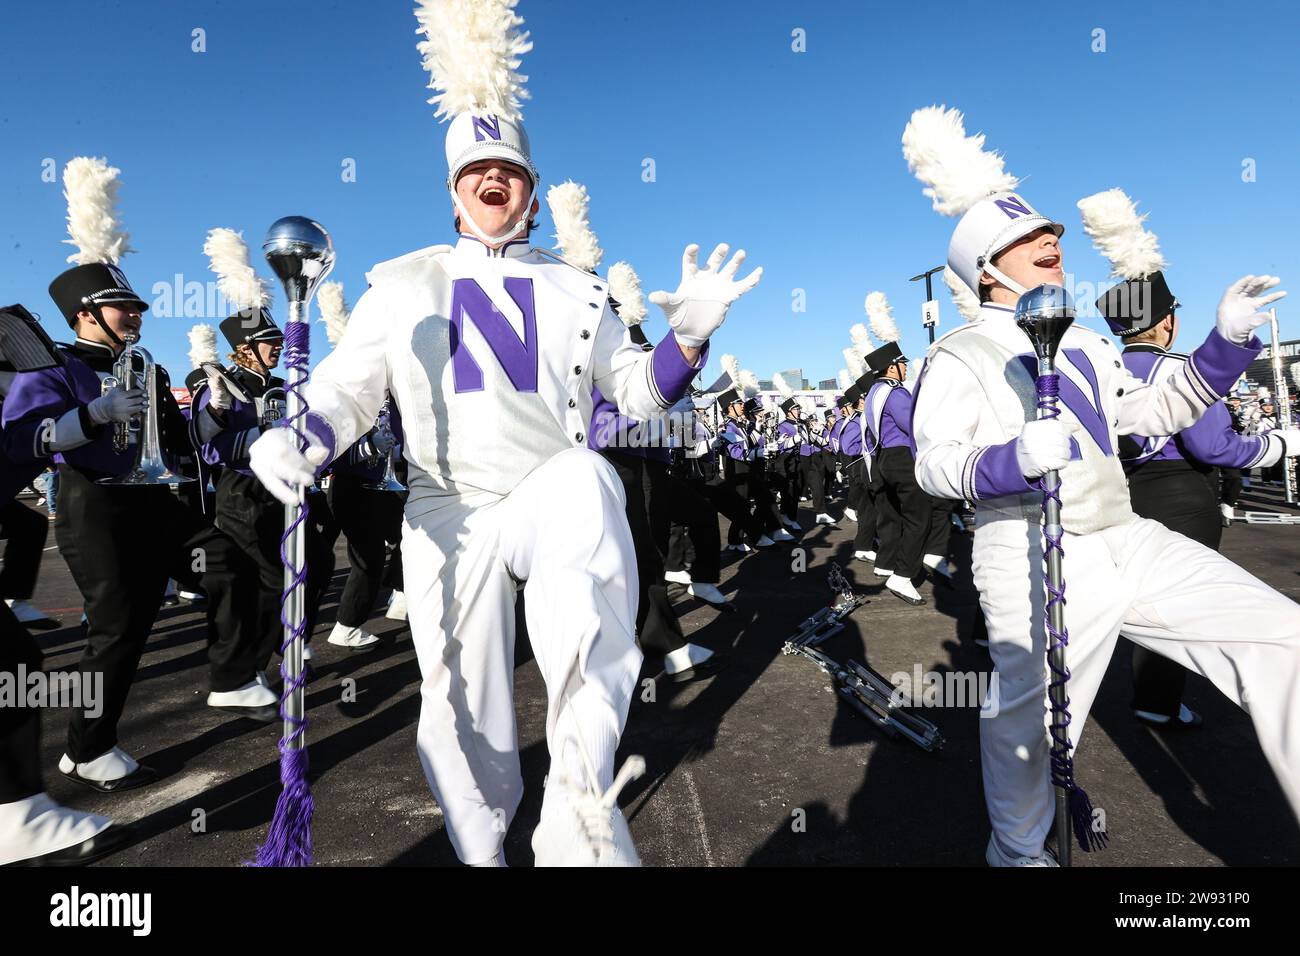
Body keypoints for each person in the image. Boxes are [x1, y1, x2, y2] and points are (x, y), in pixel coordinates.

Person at [248, 10, 762, 865]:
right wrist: (302, 435)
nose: (494, 181)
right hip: (446, 503)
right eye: (477, 170)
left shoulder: (578, 287)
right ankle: (481, 845)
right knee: (460, 702)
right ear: (453, 191)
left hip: (544, 484)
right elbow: (348, 385)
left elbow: (636, 395)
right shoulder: (402, 281)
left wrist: (690, 340)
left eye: (510, 171)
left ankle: (578, 809)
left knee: (590, 487)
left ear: (530, 188)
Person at [904, 103, 1300, 866]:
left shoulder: (1087, 340)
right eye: (1028, 238)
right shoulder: (957, 355)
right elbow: (932, 463)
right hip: (1029, 547)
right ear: (987, 268)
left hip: (1130, 535)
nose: (1051, 241)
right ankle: (1019, 854)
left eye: (1050, 232)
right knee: (1030, 727)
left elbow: (1155, 410)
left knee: (1283, 638)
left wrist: (1227, 344)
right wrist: (1009, 458)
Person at [3, 159, 277, 793]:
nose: (137, 315)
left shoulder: (148, 371)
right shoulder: (53, 367)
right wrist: (89, 417)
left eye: (135, 306)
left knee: (227, 561)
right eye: (122, 307)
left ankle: (233, 677)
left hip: (156, 501)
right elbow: (21, 437)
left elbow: (185, 446)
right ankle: (88, 748)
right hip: (94, 504)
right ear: (85, 316)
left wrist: (212, 422)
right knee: (119, 627)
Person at [1081, 187, 1300, 730]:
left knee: (1134, 595)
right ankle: (1156, 700)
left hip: (1123, 493)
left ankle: (1145, 693)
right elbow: (1212, 446)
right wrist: (1280, 446)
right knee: (1179, 602)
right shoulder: (1179, 368)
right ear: (1165, 322)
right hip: (1181, 494)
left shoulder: (1100, 368)